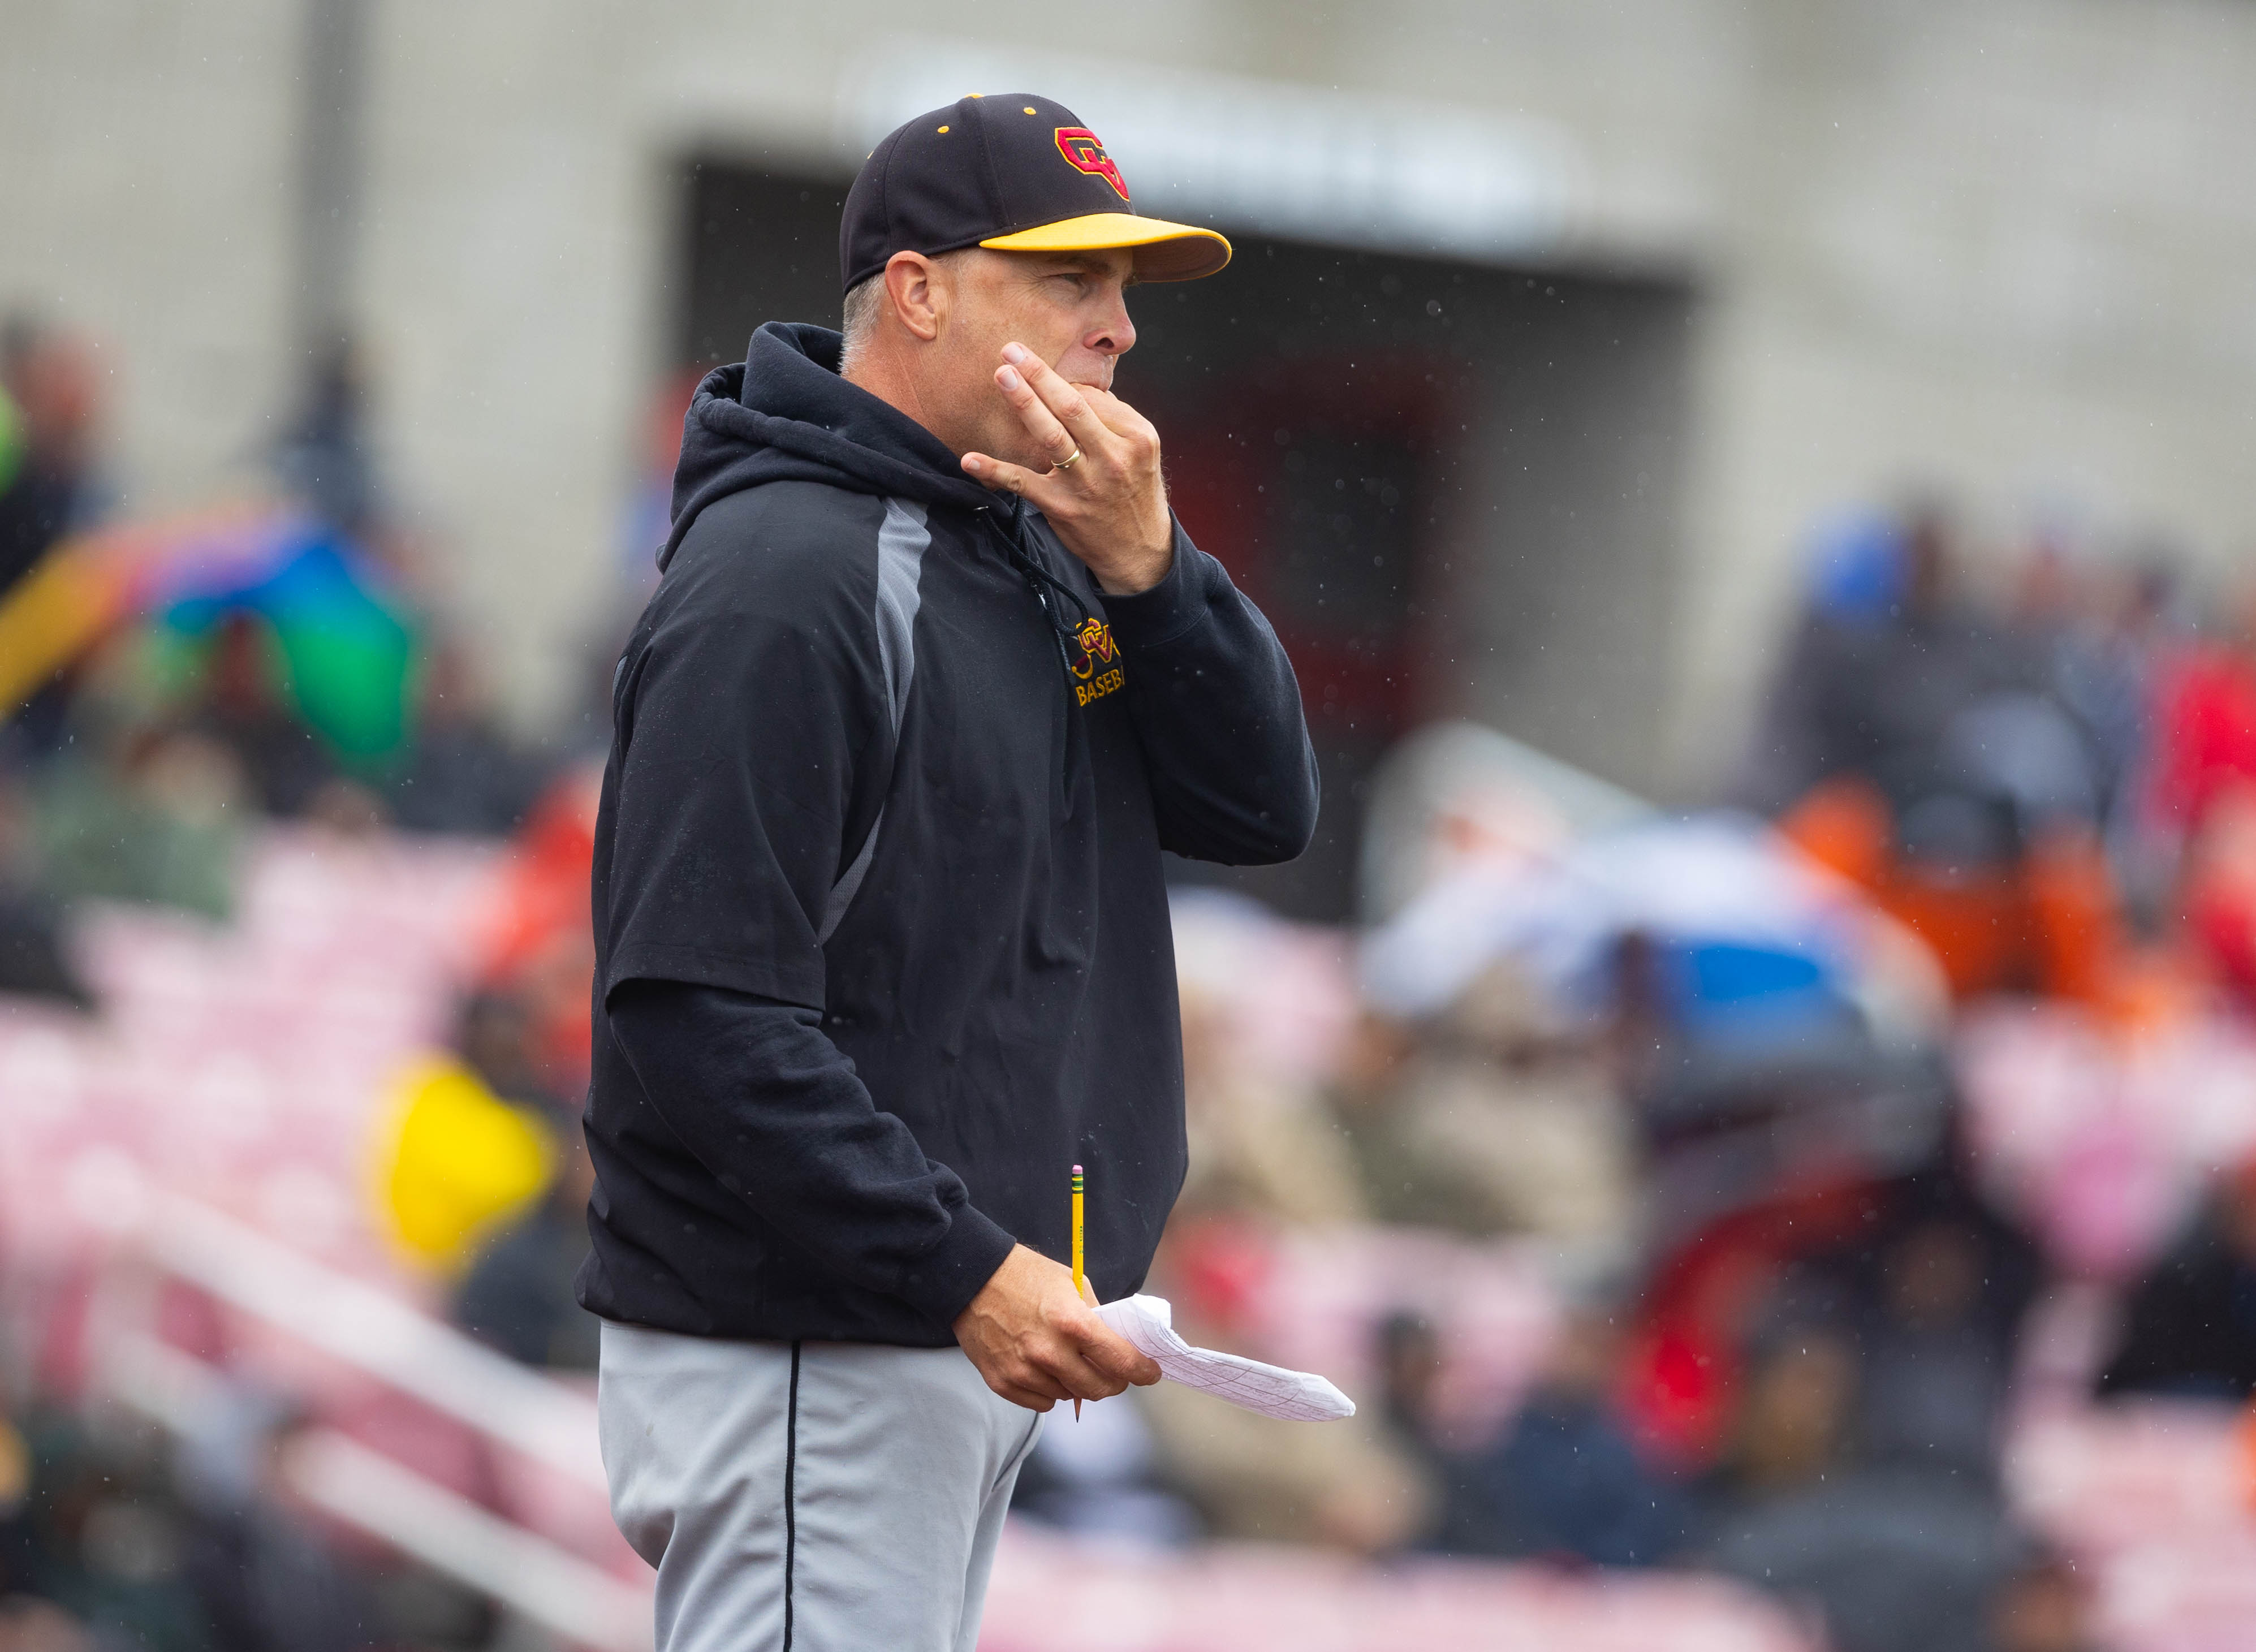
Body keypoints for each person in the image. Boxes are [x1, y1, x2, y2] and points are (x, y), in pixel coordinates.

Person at [580, 93, 1318, 1651]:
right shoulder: (786, 574)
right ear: (918, 291)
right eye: (1070, 280)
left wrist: (1157, 567)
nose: (1118, 331)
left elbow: (1264, 803)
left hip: (943, 1324)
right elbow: (698, 1013)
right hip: (819, 1332)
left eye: (1124, 292)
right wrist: (962, 1264)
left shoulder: (1040, 539)